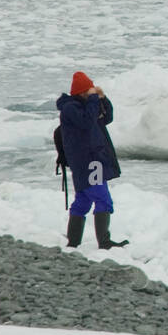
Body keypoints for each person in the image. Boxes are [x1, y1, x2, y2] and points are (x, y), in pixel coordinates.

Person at [56, 71, 128, 249]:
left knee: (83, 200)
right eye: (89, 87)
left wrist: (102, 99)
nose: (93, 89)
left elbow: (107, 118)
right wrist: (94, 100)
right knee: (103, 199)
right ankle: (104, 243)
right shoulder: (71, 108)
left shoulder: (87, 105)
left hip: (92, 160)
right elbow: (87, 123)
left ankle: (73, 243)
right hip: (88, 162)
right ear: (82, 91)